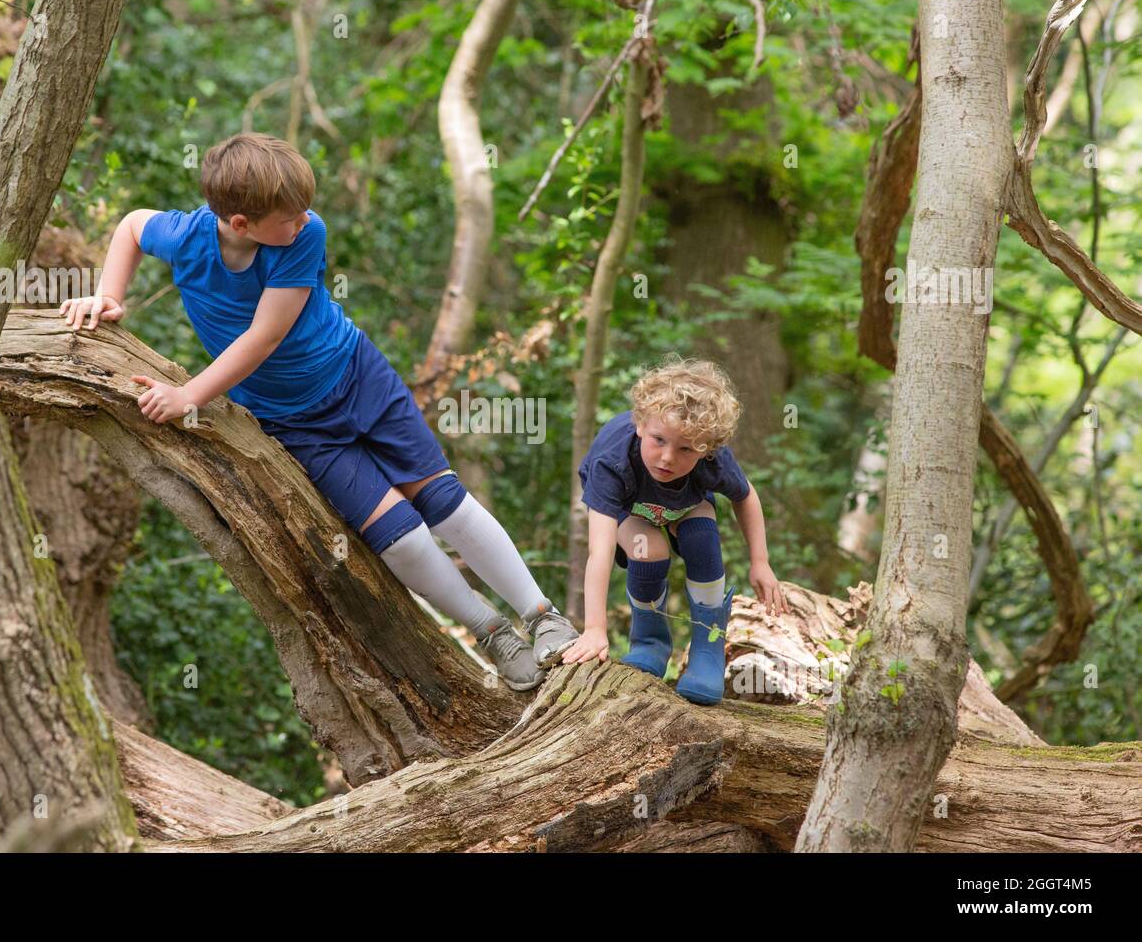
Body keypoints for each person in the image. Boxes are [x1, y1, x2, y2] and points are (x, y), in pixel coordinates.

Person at [59, 133, 578, 691]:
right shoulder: (187, 237)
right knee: (398, 536)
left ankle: (543, 616)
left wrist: (191, 395)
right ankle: (490, 629)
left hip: (358, 379)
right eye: (290, 214)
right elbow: (133, 225)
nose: (307, 219)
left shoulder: (304, 236)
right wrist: (108, 293)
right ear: (240, 223)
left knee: (442, 500)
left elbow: (262, 337)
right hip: (295, 424)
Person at [567, 356, 789, 704]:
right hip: (632, 509)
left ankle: (707, 647)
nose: (668, 457)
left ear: (707, 449)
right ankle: (650, 642)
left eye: (685, 449)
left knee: (701, 538)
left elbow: (745, 496)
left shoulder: (712, 459)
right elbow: (601, 550)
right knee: (648, 546)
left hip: (686, 502)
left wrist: (760, 561)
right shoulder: (612, 463)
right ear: (640, 424)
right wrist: (595, 628)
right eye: (658, 440)